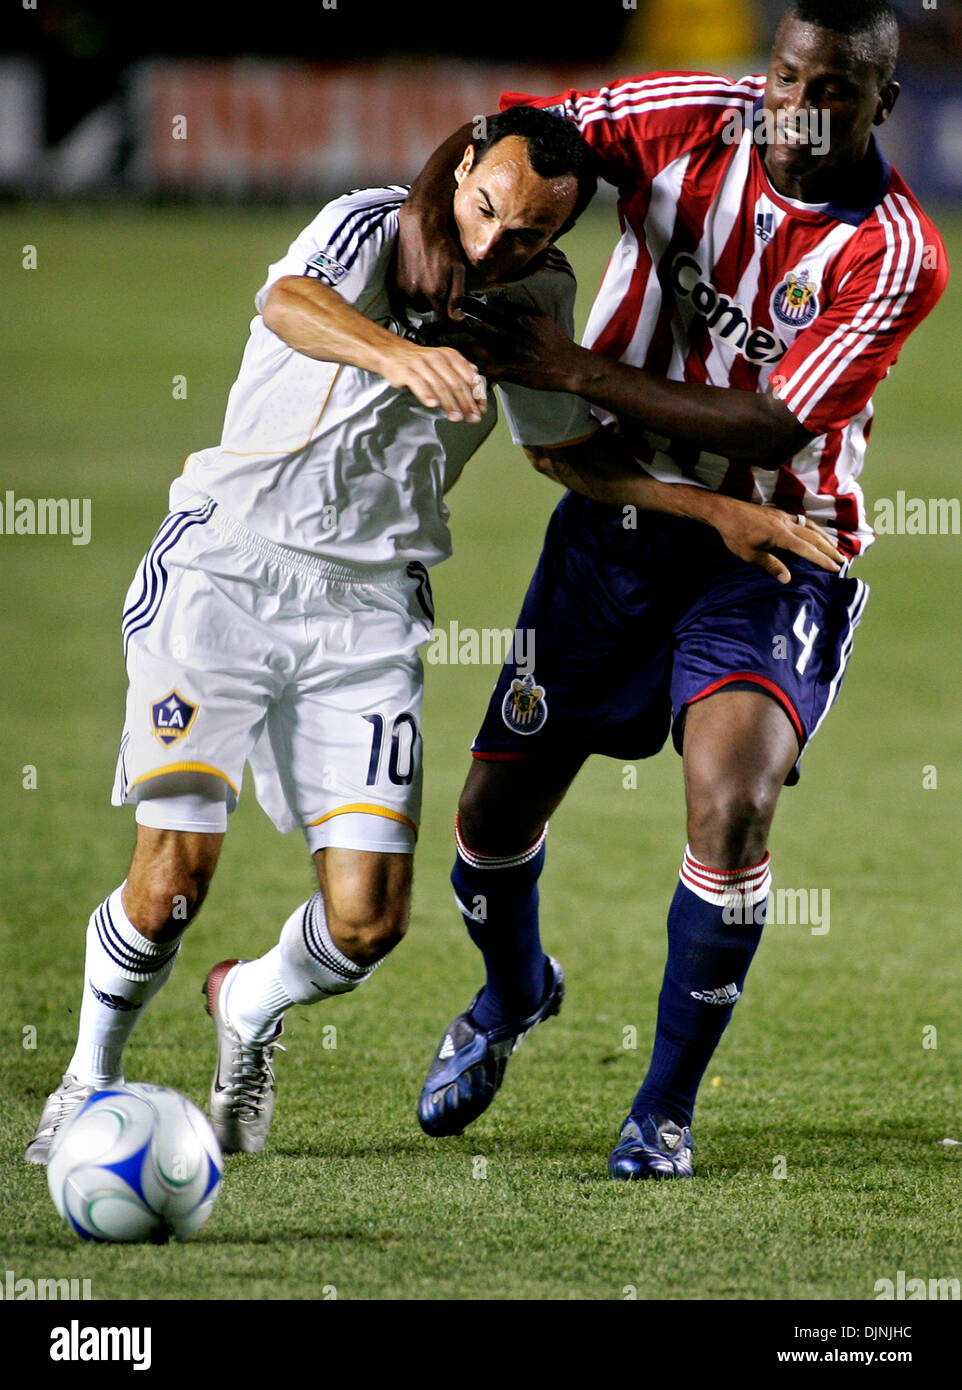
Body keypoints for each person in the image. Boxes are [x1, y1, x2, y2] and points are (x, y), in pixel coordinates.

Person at [24, 106, 834, 1165]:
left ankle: (248, 1006)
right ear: (460, 166)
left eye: (529, 233)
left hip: (365, 616)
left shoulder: (532, 301)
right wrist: (399, 360)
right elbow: (288, 304)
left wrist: (713, 510)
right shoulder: (365, 230)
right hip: (223, 577)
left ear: (558, 238)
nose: (494, 242)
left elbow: (564, 456)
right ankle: (89, 1076)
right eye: (485, 207)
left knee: (365, 924)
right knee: (175, 877)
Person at [399, 0, 949, 1178]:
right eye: (790, 79)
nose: (801, 109)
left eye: (834, 93)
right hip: (615, 521)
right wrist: (452, 227)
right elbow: (522, 132)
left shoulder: (893, 251)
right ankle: (510, 995)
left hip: (772, 547)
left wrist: (567, 366)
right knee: (492, 825)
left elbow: (773, 417)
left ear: (880, 105)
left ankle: (660, 1109)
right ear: (770, 70)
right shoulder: (684, 118)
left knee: (731, 805)